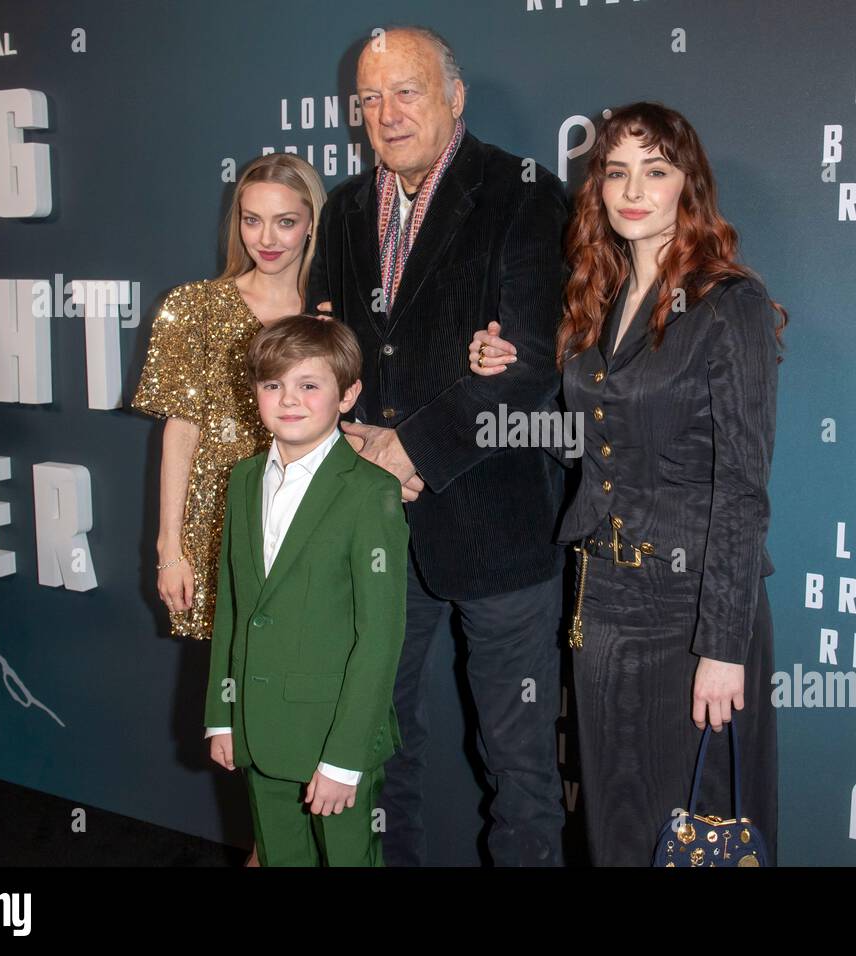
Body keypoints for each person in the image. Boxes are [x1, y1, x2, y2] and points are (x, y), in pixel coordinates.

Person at [468, 102, 786, 866]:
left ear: (689, 185)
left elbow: (742, 488)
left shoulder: (728, 305)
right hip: (602, 602)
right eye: (616, 172)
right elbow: (590, 441)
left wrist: (722, 646)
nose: (632, 189)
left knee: (695, 831)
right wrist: (509, 367)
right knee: (615, 822)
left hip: (692, 611)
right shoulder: (598, 301)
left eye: (656, 170)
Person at [307, 26, 568, 866]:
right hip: (380, 530)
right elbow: (332, 354)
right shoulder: (346, 209)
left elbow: (528, 365)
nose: (386, 114)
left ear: (455, 97)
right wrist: (361, 449)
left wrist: (409, 450)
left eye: (407, 91)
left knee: (520, 770)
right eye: (371, 98)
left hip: (498, 525)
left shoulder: (524, 194)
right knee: (383, 752)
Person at [133, 153, 327, 866]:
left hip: (317, 533)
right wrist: (170, 548)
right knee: (248, 712)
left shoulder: (334, 312)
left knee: (315, 707)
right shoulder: (194, 305)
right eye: (251, 220)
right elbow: (179, 430)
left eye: (285, 221)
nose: (266, 238)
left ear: (312, 224)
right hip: (225, 533)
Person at [203, 316, 409, 867]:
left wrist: (344, 759)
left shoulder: (372, 493)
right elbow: (234, 607)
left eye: (308, 385)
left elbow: (380, 637)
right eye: (273, 385)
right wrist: (223, 714)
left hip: (336, 736)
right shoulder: (243, 478)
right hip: (257, 724)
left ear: (349, 395)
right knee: (277, 857)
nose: (288, 400)